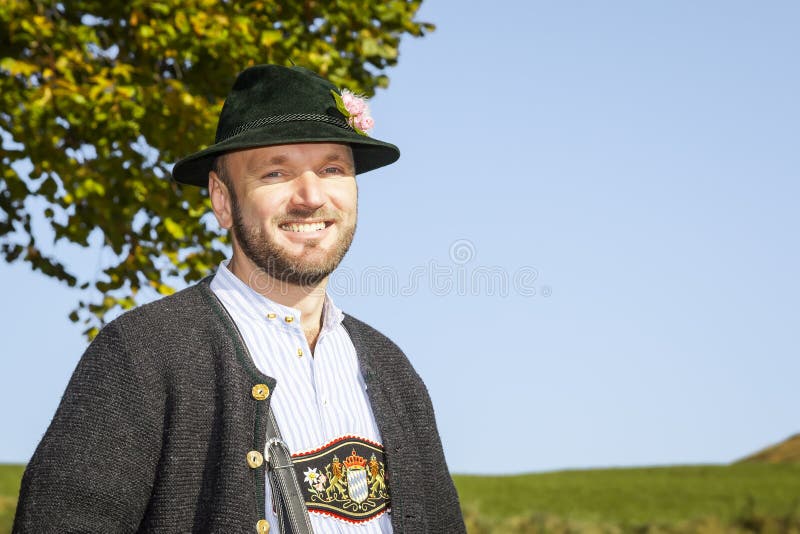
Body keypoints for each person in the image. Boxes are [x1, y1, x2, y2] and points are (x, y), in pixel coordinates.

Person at [14, 65, 465, 533]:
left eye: (332, 169)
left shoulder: (393, 371)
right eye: (276, 172)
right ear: (222, 200)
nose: (311, 196)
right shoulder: (142, 353)